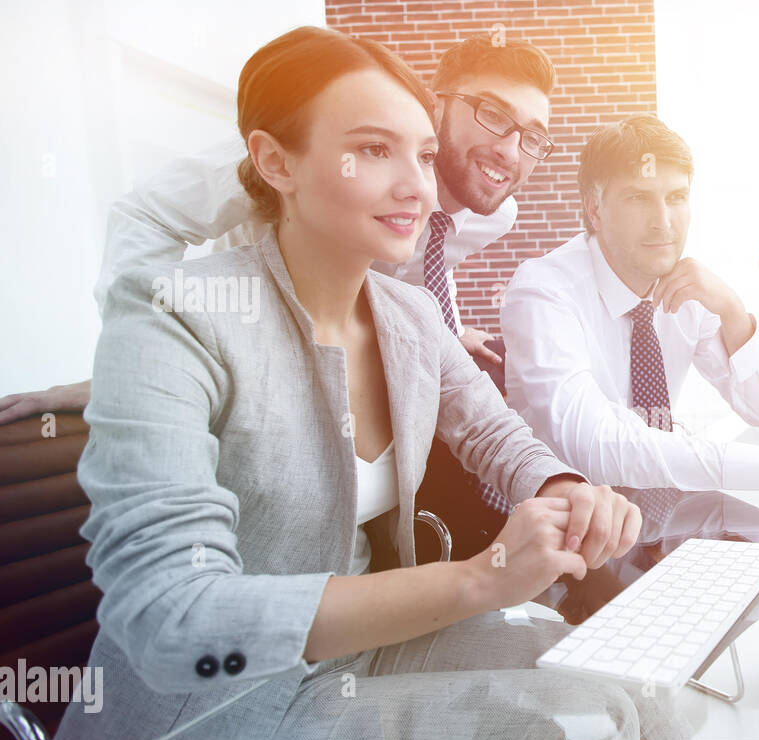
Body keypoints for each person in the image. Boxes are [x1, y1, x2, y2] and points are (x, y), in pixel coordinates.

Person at [43, 26, 646, 740]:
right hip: (207, 738)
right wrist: (477, 581)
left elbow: (493, 429)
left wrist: (560, 487)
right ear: (276, 162)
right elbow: (172, 616)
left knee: (578, 662)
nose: (418, 187)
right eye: (372, 150)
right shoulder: (174, 314)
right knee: (579, 725)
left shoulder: (409, 313)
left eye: (424, 156)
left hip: (351, 665)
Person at [0, 34, 552, 548]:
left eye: (532, 137)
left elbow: (428, 263)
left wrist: (448, 333)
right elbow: (149, 215)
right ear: (437, 104)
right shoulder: (304, 154)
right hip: (254, 359)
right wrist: (140, 362)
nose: (510, 150)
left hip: (357, 369)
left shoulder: (493, 216)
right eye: (493, 115)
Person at [501, 115, 759, 504]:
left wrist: (733, 310)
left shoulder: (687, 290)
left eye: (677, 196)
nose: (663, 221)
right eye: (638, 198)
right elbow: (594, 446)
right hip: (559, 539)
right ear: (595, 209)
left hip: (656, 516)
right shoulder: (543, 291)